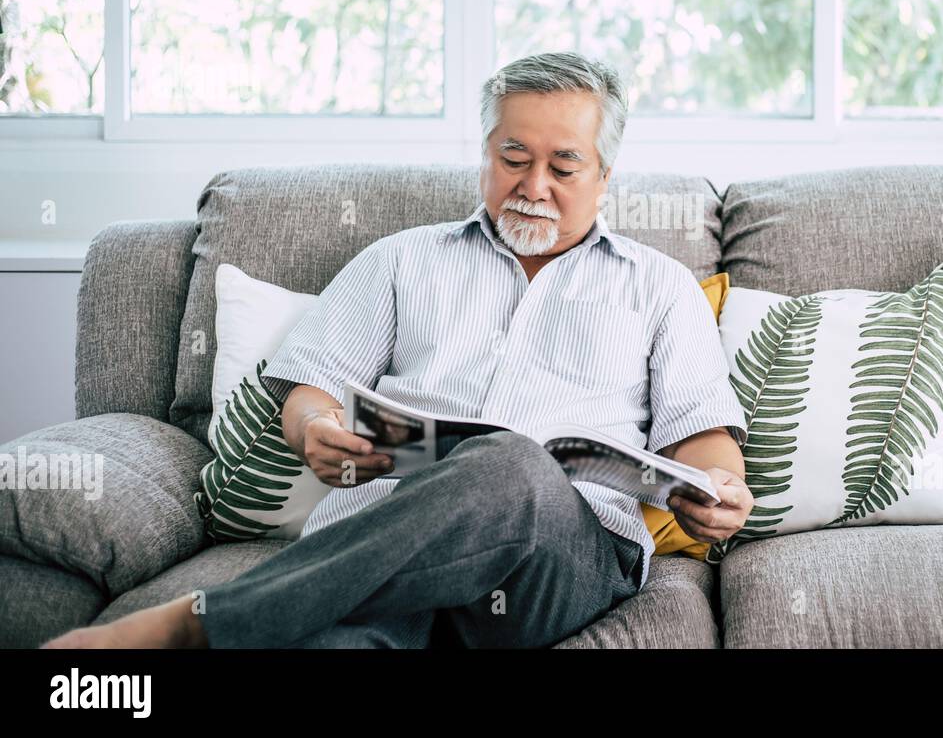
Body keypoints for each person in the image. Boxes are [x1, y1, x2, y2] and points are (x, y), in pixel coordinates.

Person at [42, 51, 754, 649]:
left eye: (564, 167)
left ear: (604, 179)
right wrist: (317, 431)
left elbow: (704, 442)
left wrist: (721, 492)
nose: (533, 187)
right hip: (388, 542)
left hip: (556, 562)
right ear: (484, 157)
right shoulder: (399, 261)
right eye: (513, 158)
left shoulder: (659, 286)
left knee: (511, 462)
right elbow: (312, 389)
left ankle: (198, 626)